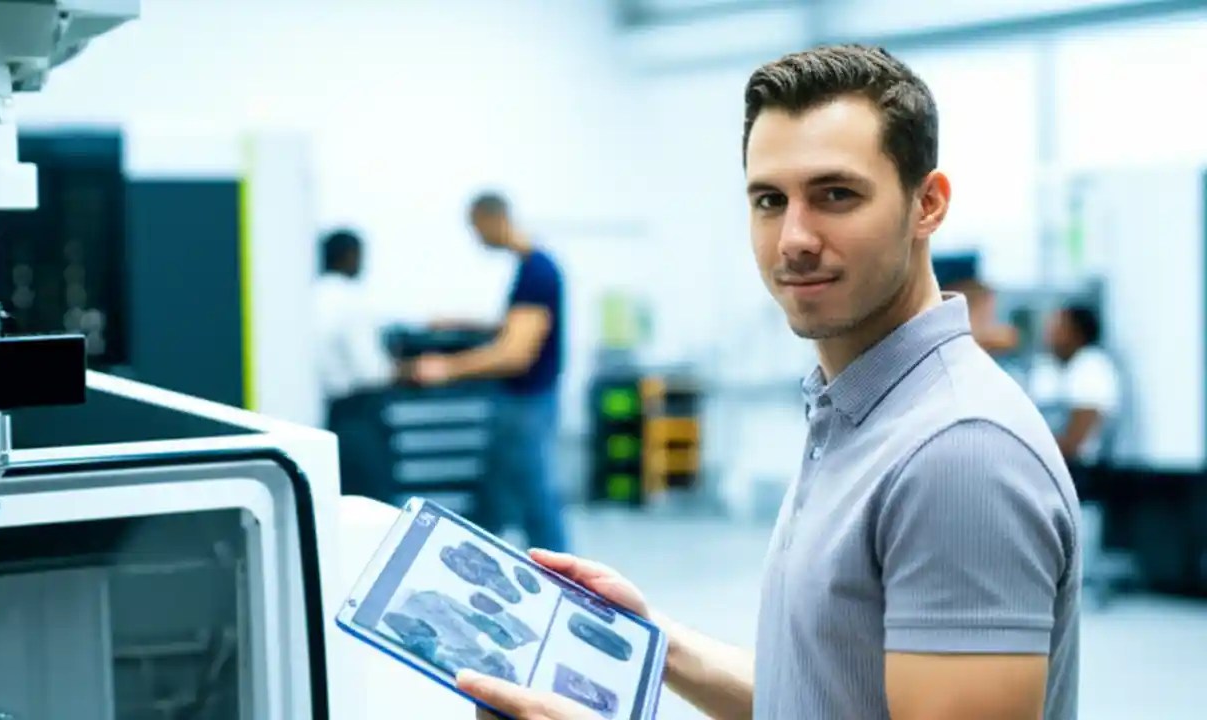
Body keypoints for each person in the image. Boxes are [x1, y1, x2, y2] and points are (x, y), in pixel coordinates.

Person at [456, 44, 1081, 720]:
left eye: (835, 195)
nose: (794, 237)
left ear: (927, 205)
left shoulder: (959, 454)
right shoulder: (863, 414)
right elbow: (828, 699)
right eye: (769, 200)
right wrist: (657, 643)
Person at [411, 193, 569, 553]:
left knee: (535, 499)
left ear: (490, 218)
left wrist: (445, 368)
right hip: (518, 402)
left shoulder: (537, 271)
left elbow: (515, 354)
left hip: (526, 404)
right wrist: (461, 322)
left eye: (475, 227)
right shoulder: (531, 268)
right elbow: (515, 327)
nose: (476, 237)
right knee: (497, 496)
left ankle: (566, 577)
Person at [314, 228, 398, 501]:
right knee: (375, 499)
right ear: (350, 256)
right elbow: (371, 371)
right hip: (361, 414)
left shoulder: (311, 296)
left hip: (333, 414)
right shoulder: (351, 300)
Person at [1029, 304, 1121, 467]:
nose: (1049, 332)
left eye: (1058, 326)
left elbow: (1074, 444)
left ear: (1077, 333)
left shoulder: (1093, 367)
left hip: (1083, 474)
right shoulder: (1046, 367)